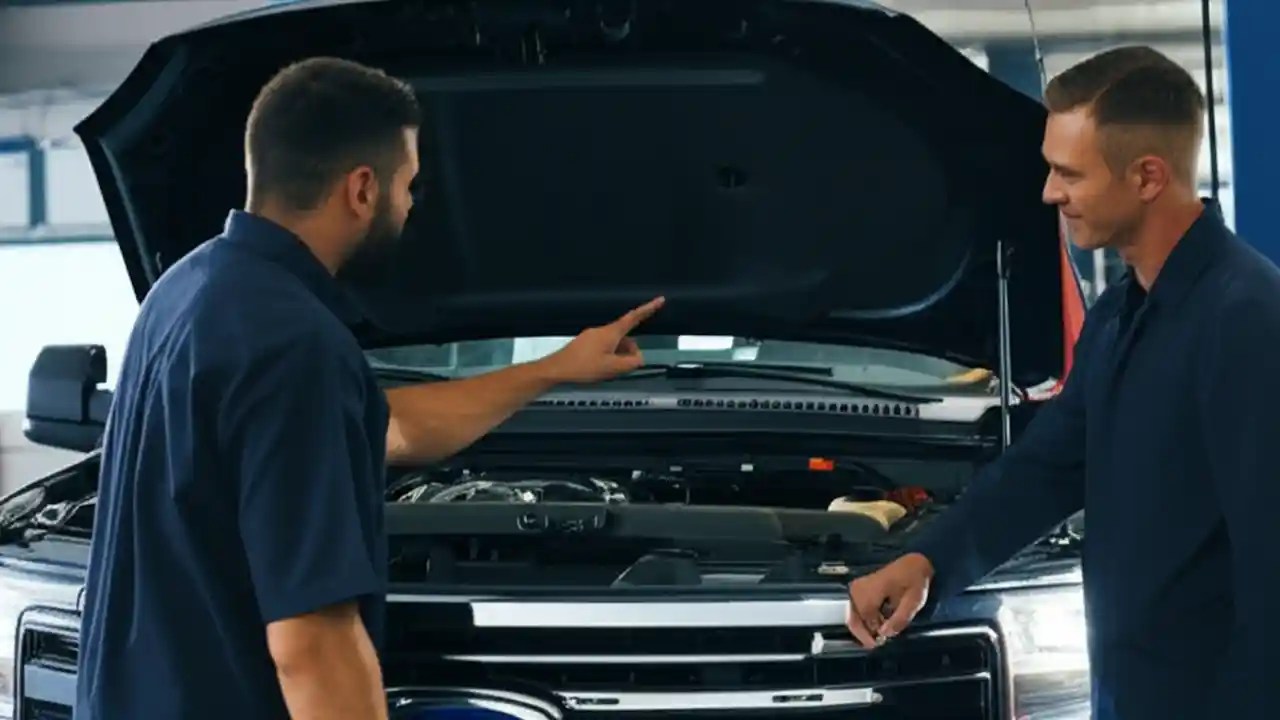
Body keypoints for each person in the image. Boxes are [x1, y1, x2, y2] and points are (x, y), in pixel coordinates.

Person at [74, 57, 664, 720]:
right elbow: (312, 644)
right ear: (361, 189)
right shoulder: (292, 345)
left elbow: (389, 428)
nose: (410, 205)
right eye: (408, 185)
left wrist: (555, 366)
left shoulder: (186, 294)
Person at [845, 46, 1278, 720]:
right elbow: (1047, 468)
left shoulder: (1247, 320)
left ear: (1148, 177)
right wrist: (928, 562)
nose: (1049, 193)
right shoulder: (1121, 313)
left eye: (1067, 172)